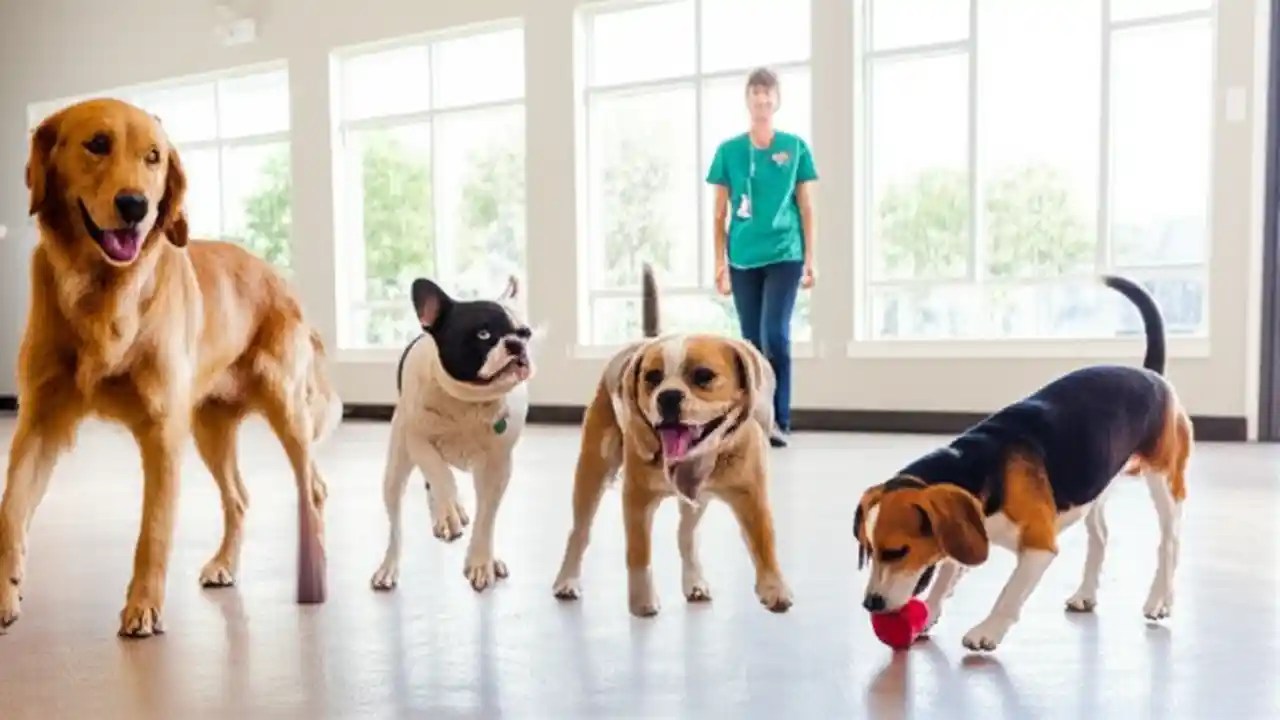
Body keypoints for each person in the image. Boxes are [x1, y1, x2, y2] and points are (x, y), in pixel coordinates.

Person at [705, 67, 818, 448]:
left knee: (776, 336)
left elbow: (806, 206)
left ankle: (779, 420)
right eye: (755, 93)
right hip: (742, 258)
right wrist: (719, 263)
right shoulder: (729, 151)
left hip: (785, 253)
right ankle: (751, 418)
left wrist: (811, 258)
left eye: (768, 94)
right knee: (749, 343)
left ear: (777, 100)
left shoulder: (795, 147)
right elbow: (720, 213)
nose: (762, 100)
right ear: (747, 99)